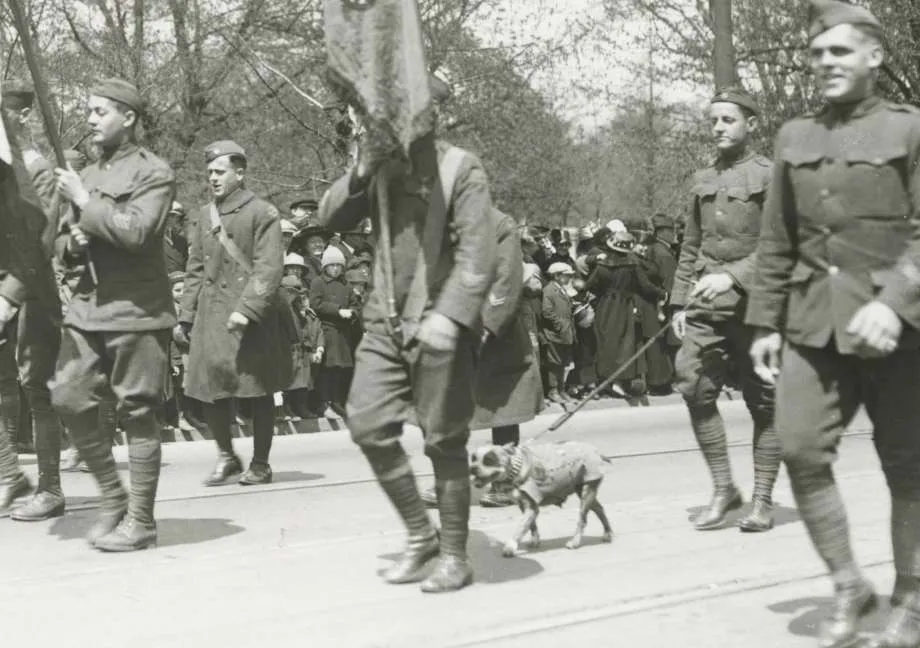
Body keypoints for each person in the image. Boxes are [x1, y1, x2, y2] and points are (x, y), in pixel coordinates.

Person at [747, 2, 920, 646]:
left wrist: (895, 301)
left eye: (839, 52)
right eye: (817, 54)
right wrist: (764, 321)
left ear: (875, 57)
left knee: (909, 466)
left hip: (899, 334)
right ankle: (850, 583)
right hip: (812, 325)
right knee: (797, 447)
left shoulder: (910, 130)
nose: (824, 63)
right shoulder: (794, 136)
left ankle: (911, 599)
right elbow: (777, 238)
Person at [318, 73, 497, 593]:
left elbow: (478, 253)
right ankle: (420, 533)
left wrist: (451, 313)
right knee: (367, 423)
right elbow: (329, 216)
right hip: (384, 321)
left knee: (444, 441)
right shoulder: (378, 167)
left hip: (440, 321)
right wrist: (359, 167)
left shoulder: (460, 168)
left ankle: (454, 555)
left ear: (429, 116)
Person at [50, 78, 176, 551]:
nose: (89, 119)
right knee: (67, 396)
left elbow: (139, 232)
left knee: (138, 412)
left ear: (129, 118)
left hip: (136, 312)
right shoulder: (87, 174)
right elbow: (62, 244)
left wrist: (86, 203)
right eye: (88, 110)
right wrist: (74, 245)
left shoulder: (154, 173)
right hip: (87, 311)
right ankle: (111, 493)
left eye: (100, 111)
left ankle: (140, 519)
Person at [669, 86, 779, 534]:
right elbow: (691, 246)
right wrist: (678, 301)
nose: (717, 128)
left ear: (751, 124)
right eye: (713, 120)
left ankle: (763, 500)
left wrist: (733, 276)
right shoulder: (702, 179)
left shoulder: (772, 176)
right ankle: (723, 489)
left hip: (759, 308)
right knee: (693, 386)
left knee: (766, 403)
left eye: (727, 120)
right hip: (705, 307)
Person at [177, 140, 293, 487]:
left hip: (250, 317)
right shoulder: (203, 215)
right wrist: (185, 316)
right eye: (209, 172)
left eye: (220, 171)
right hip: (211, 318)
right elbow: (195, 268)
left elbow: (269, 268)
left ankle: (260, 463)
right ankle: (227, 456)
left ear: (239, 173)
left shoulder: (263, 212)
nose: (212, 178)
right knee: (212, 388)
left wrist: (246, 309)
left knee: (256, 390)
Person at [422, 209, 543, 509]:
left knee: (503, 408)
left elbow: (507, 278)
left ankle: (504, 481)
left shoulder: (499, 223)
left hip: (494, 333)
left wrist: (488, 324)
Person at [309, 245, 355, 417]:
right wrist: (337, 310)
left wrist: (352, 312)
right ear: (325, 266)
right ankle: (324, 403)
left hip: (343, 333)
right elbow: (316, 304)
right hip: (327, 330)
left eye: (338, 266)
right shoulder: (318, 283)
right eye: (332, 265)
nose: (335, 269)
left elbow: (354, 303)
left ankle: (336, 401)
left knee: (340, 369)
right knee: (326, 368)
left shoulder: (346, 285)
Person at [541, 262, 576, 406]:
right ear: (556, 276)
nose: (568, 278)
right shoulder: (549, 290)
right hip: (555, 334)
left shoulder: (561, 289)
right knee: (554, 363)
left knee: (562, 363)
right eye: (565, 276)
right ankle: (553, 390)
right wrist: (559, 324)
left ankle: (561, 389)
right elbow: (547, 311)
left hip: (564, 332)